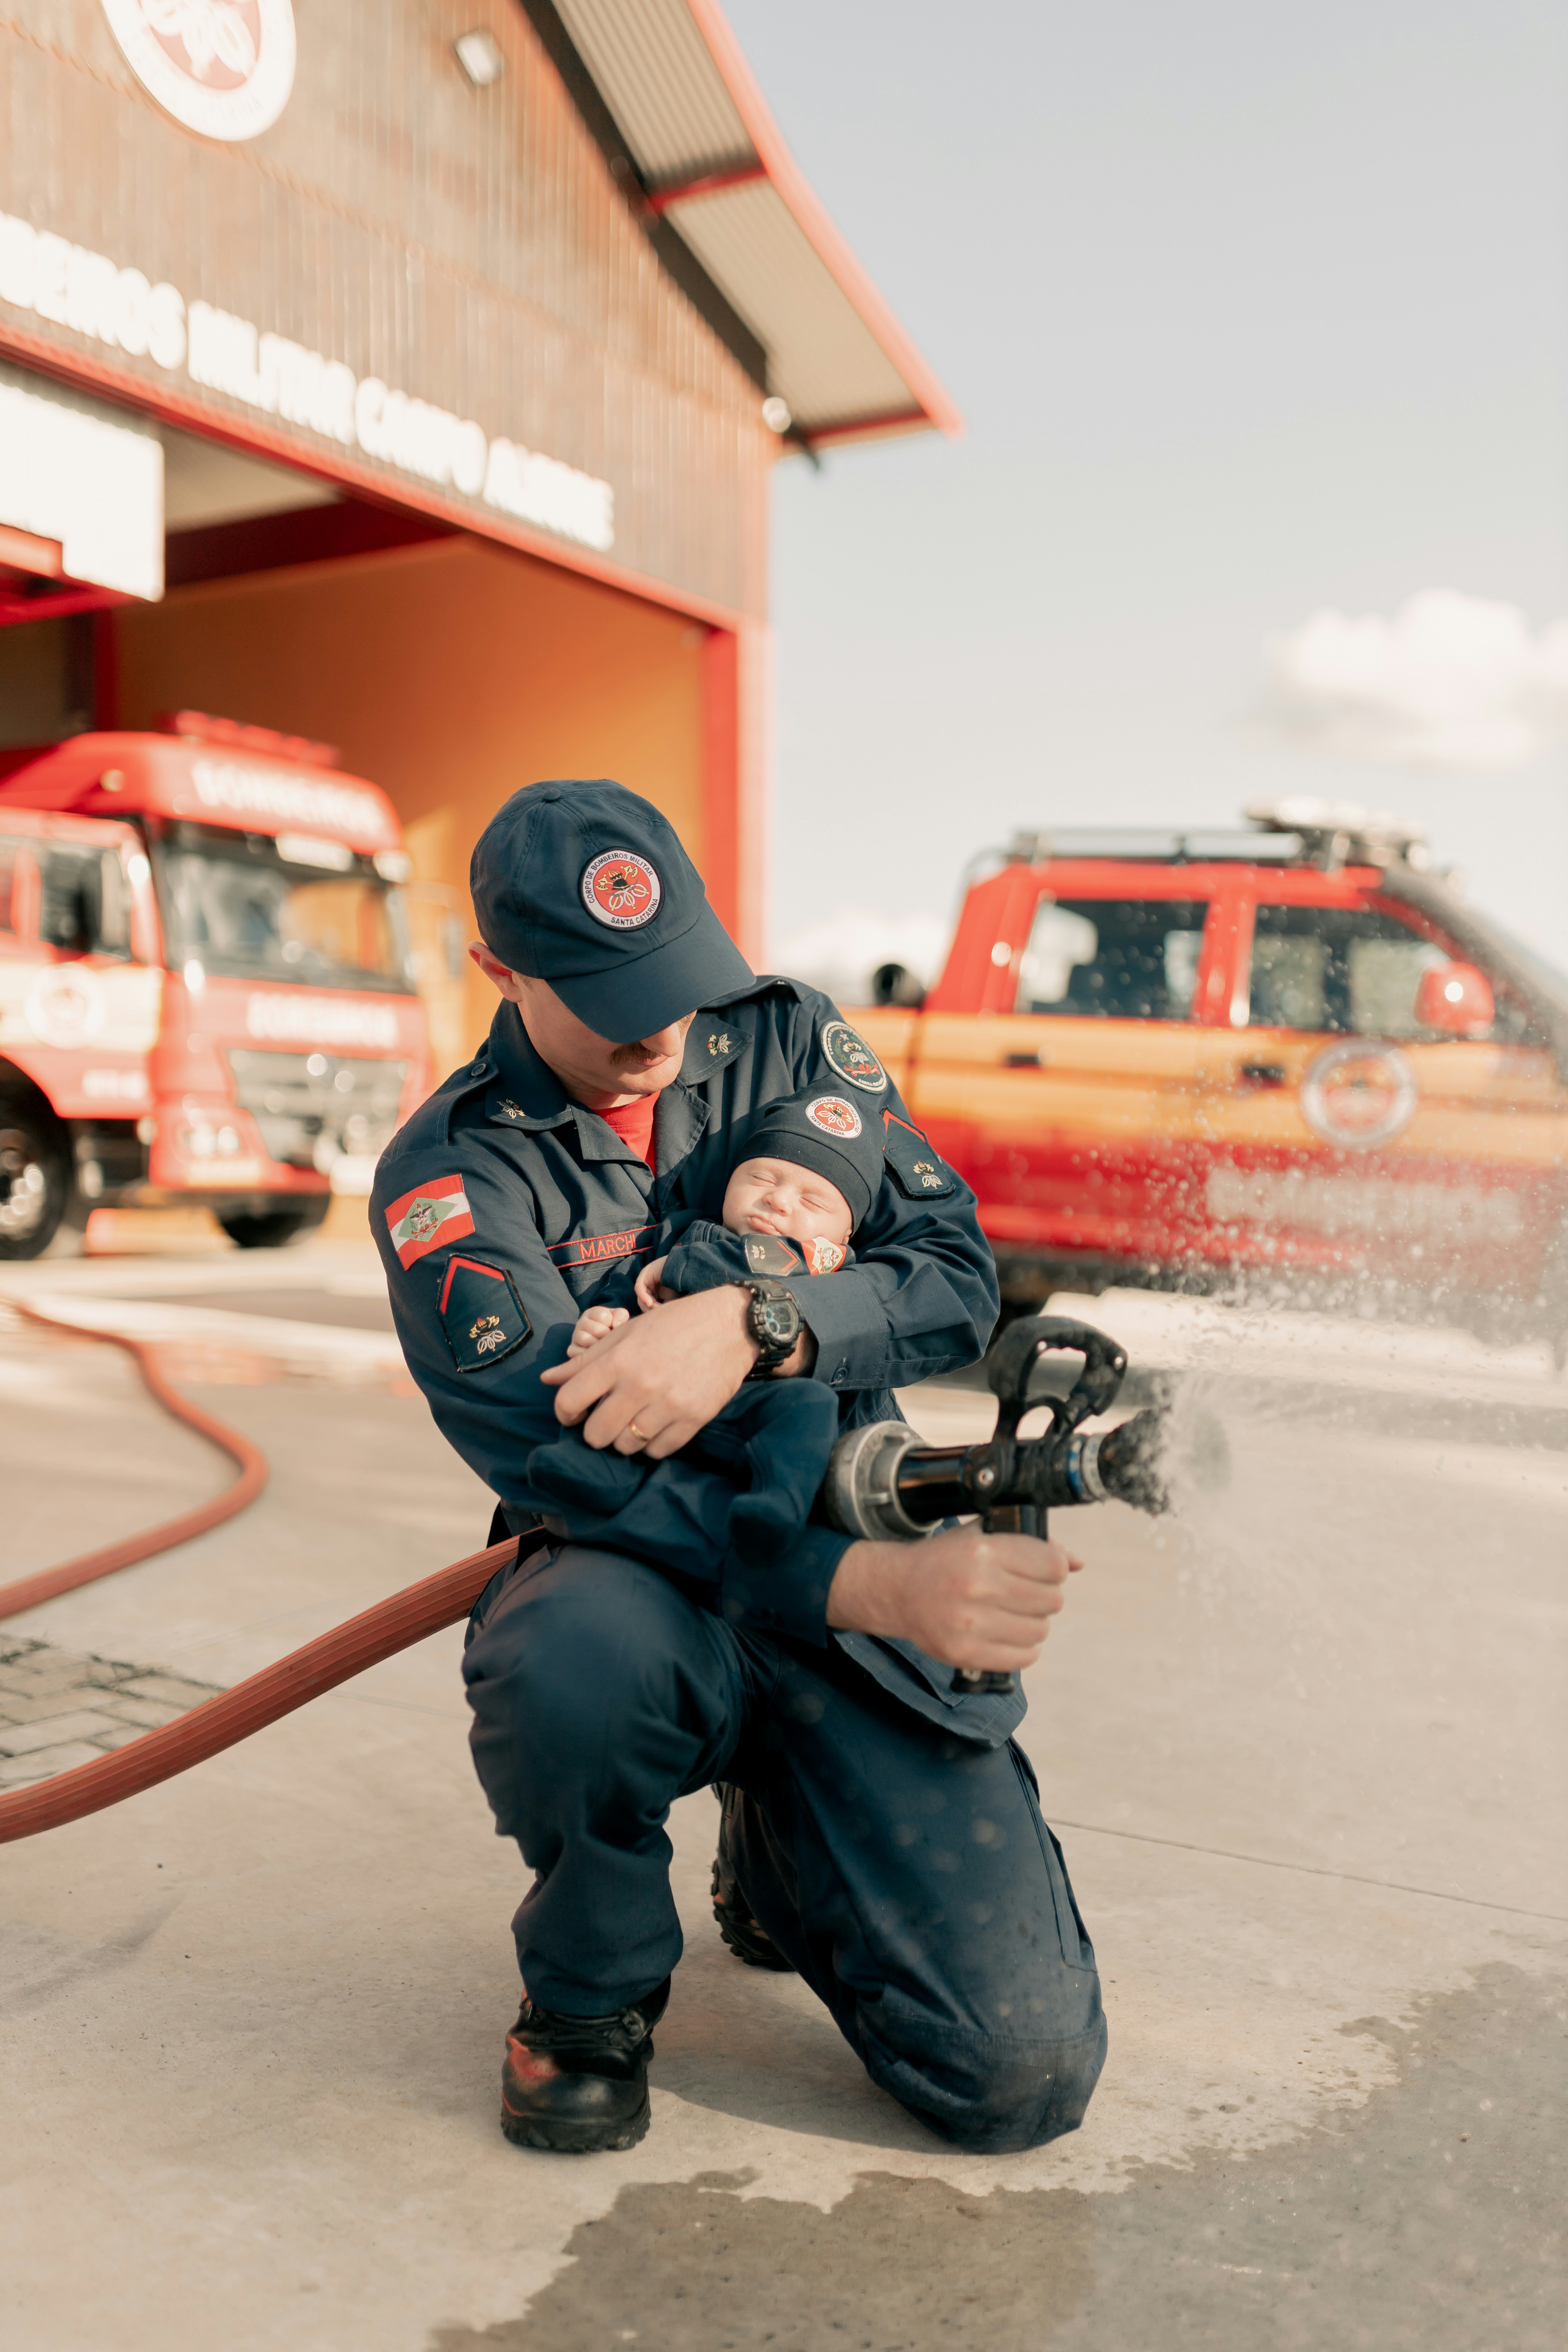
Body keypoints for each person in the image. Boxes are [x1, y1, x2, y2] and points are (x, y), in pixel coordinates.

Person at [372, 779, 1106, 2158]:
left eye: (676, 977)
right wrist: (872, 1590)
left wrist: (760, 1323)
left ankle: (778, 1843)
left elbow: (953, 1277)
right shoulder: (455, 1175)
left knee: (1018, 2073)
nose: (660, 1028)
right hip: (643, 1579)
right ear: (501, 971)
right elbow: (566, 1463)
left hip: (842, 1527)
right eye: (609, 995)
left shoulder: (789, 1038)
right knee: (570, 1664)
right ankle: (589, 1995)